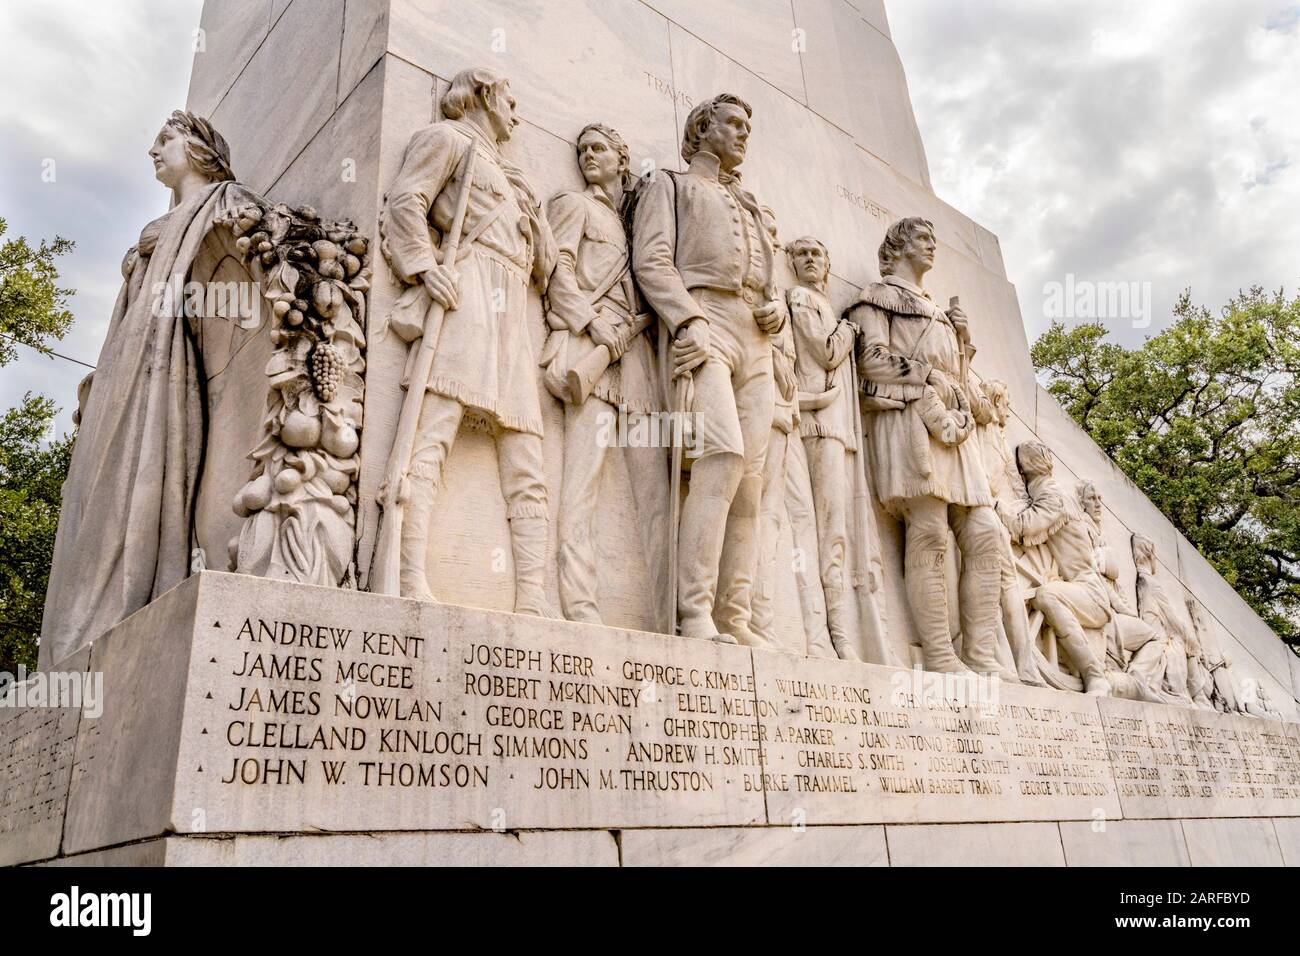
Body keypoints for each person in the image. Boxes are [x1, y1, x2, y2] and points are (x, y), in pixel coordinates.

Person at [40, 110, 245, 669]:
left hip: (167, 368)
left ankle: (130, 601)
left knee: (146, 476)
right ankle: (82, 630)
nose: (153, 152)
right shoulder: (155, 232)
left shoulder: (225, 204)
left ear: (200, 149)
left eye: (165, 141)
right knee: (98, 492)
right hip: (126, 368)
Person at [380, 67, 558, 615]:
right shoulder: (447, 140)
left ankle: (531, 597)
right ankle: (409, 577)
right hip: (469, 288)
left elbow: (544, 272)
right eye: (510, 99)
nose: (516, 114)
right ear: (483, 94)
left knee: (527, 453)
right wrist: (422, 264)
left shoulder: (516, 179)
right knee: (429, 439)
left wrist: (536, 221)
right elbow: (405, 202)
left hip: (512, 310)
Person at [631, 93, 787, 644]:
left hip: (756, 339)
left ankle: (734, 617)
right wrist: (688, 320)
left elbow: (771, 283)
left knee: (750, 486)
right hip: (706, 322)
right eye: (734, 123)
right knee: (722, 458)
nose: (744, 133)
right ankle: (692, 611)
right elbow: (651, 260)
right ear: (703, 126)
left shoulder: (751, 206)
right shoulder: (669, 185)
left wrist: (777, 308)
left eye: (750, 125)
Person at [848, 217, 1006, 676]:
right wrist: (928, 374)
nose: (932, 245)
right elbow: (870, 360)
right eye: (922, 237)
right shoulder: (875, 297)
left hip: (954, 431)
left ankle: (981, 656)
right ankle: (939, 655)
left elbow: (964, 384)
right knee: (931, 531)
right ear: (897, 246)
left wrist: (964, 343)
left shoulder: (940, 313)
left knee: (985, 535)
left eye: (935, 238)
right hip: (908, 422)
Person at [541, 123, 667, 627]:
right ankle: (581, 608)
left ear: (622, 158)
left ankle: (665, 617)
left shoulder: (638, 227)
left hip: (635, 363)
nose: (587, 156)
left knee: (656, 493)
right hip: (594, 351)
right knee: (581, 488)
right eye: (582, 149)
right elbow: (556, 271)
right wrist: (592, 325)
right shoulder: (574, 205)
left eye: (599, 149)